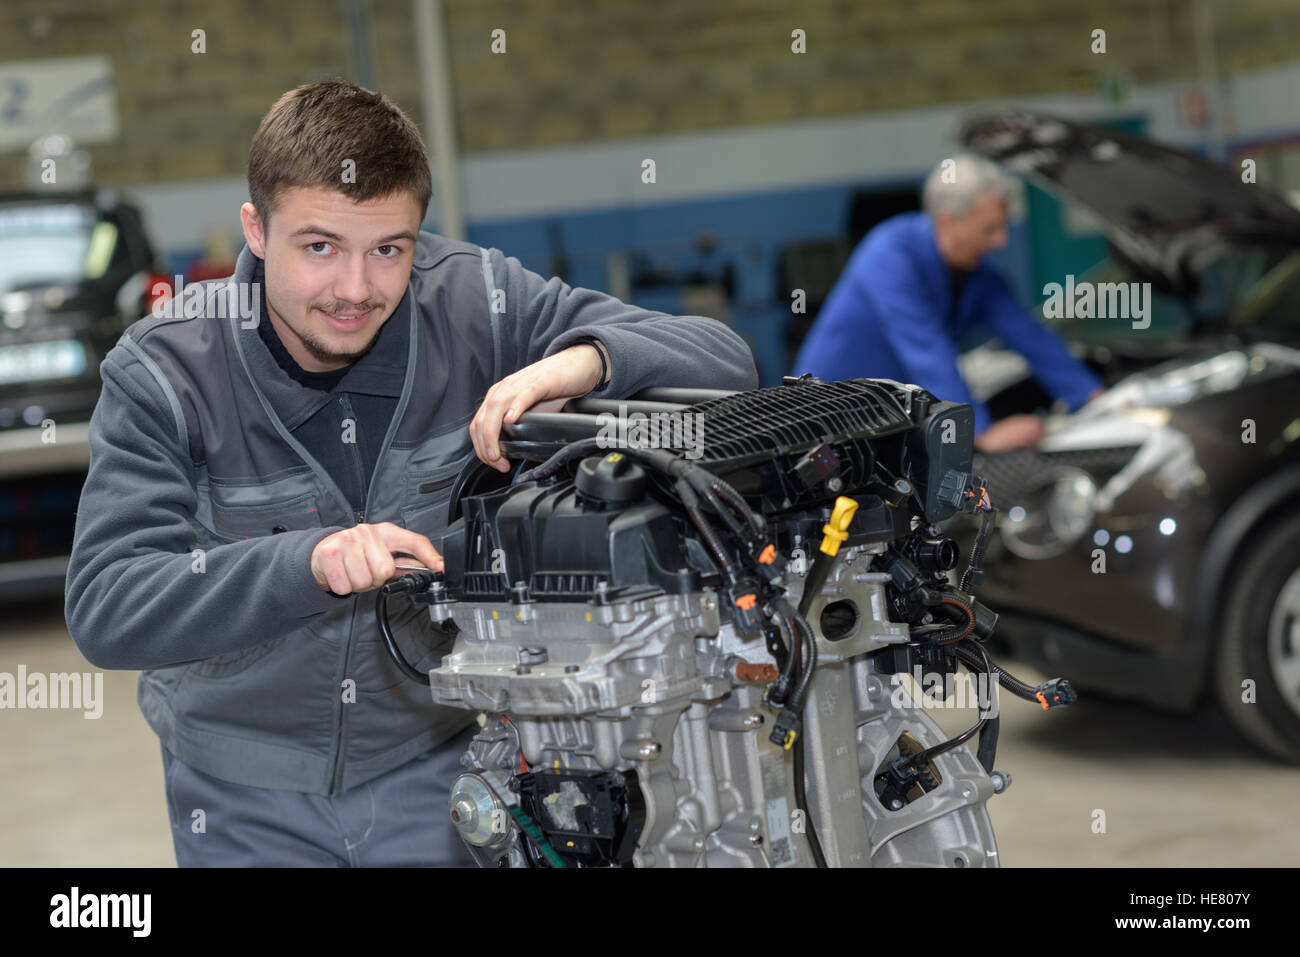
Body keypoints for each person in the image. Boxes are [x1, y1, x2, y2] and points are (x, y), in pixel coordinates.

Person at [63, 80, 758, 867]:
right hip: (241, 789)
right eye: (320, 246)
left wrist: (585, 360)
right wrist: (305, 564)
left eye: (388, 249)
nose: (356, 290)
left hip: (438, 766)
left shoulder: (475, 303)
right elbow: (108, 602)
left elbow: (725, 358)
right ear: (256, 230)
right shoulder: (165, 371)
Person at [792, 154, 1102, 452]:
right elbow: (927, 353)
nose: (1001, 240)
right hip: (826, 417)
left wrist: (1091, 397)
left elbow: (1029, 335)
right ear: (948, 221)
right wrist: (979, 432)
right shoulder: (889, 254)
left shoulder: (977, 272)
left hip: (887, 415)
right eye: (990, 228)